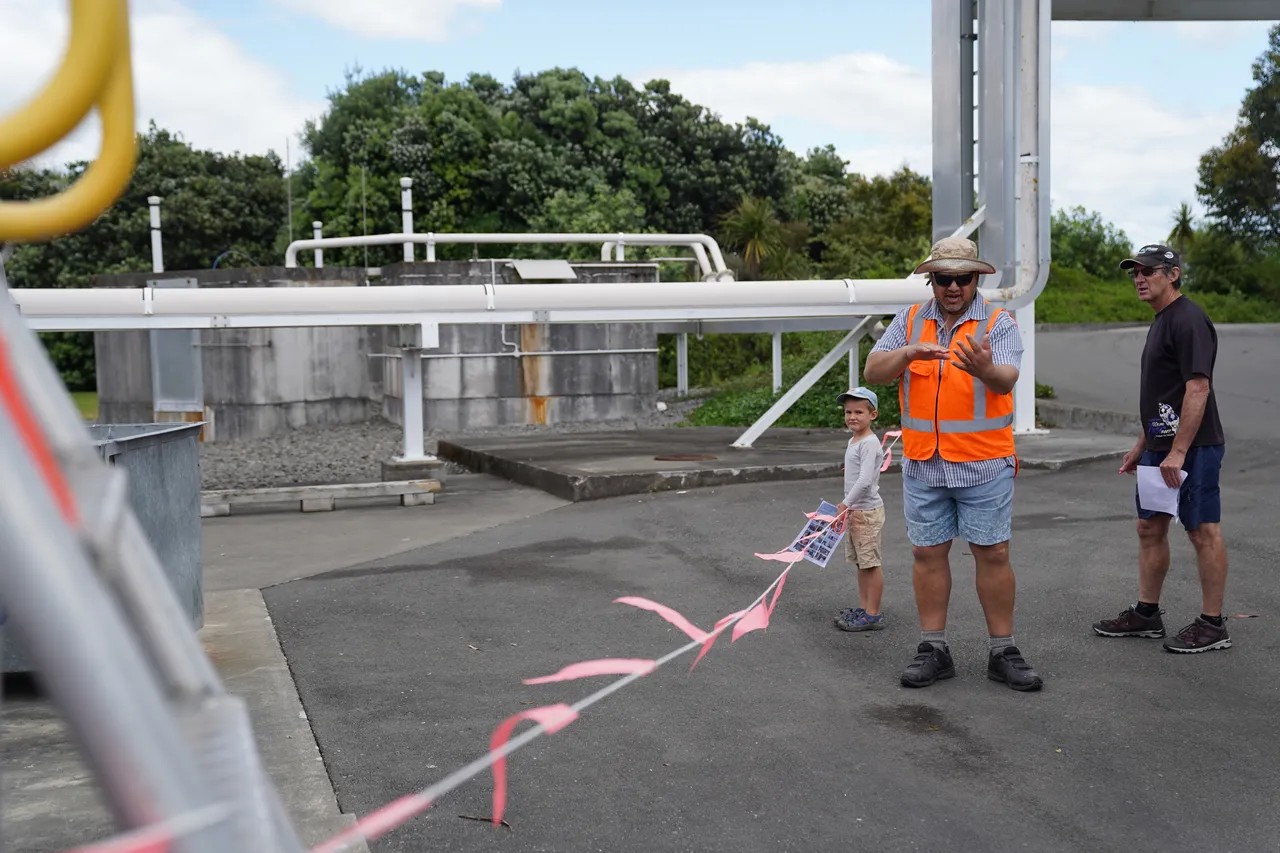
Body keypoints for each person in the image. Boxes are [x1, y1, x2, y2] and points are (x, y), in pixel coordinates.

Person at [863, 236, 1043, 692]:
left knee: (993, 553)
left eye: (963, 278)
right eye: (944, 278)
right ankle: (933, 649)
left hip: (984, 463)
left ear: (976, 279)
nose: (953, 287)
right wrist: (907, 353)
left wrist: (984, 369)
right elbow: (873, 370)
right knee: (926, 554)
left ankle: (1003, 650)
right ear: (932, 280)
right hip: (925, 464)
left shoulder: (998, 323)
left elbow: (1006, 379)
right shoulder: (910, 320)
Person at [1092, 244, 1231, 653]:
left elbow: (1198, 388)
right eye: (1134, 272)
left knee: (1202, 530)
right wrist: (1144, 444)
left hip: (1194, 448)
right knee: (1150, 527)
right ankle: (1146, 614)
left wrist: (1178, 451)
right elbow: (1161, 395)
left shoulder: (1188, 320)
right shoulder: (1162, 320)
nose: (1139, 278)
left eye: (1148, 271)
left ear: (1172, 274)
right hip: (1160, 449)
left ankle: (1213, 624)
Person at [833, 387, 887, 633]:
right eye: (848, 412)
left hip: (866, 512)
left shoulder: (869, 442)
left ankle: (873, 614)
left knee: (870, 564)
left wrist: (845, 503)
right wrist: (848, 506)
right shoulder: (854, 440)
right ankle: (864, 608)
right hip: (855, 512)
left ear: (872, 415)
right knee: (861, 563)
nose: (852, 417)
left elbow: (865, 481)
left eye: (858, 412)